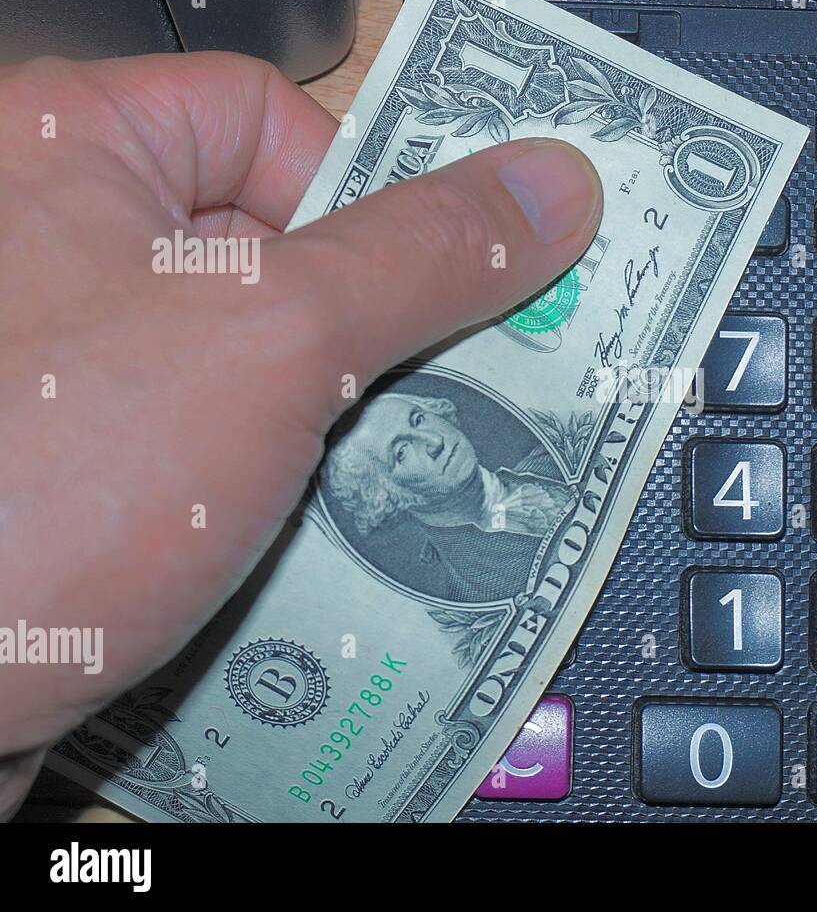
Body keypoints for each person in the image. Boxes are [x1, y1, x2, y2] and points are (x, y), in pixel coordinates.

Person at [0, 52, 604, 819]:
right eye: (398, 452)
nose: (423, 440)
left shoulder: (532, 451)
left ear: (448, 409)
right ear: (389, 499)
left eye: (418, 419)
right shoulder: (453, 579)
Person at [324, 391, 572, 602]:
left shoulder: (552, 459)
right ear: (385, 496)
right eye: (402, 452)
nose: (434, 441)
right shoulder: (472, 589)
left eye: (419, 419)